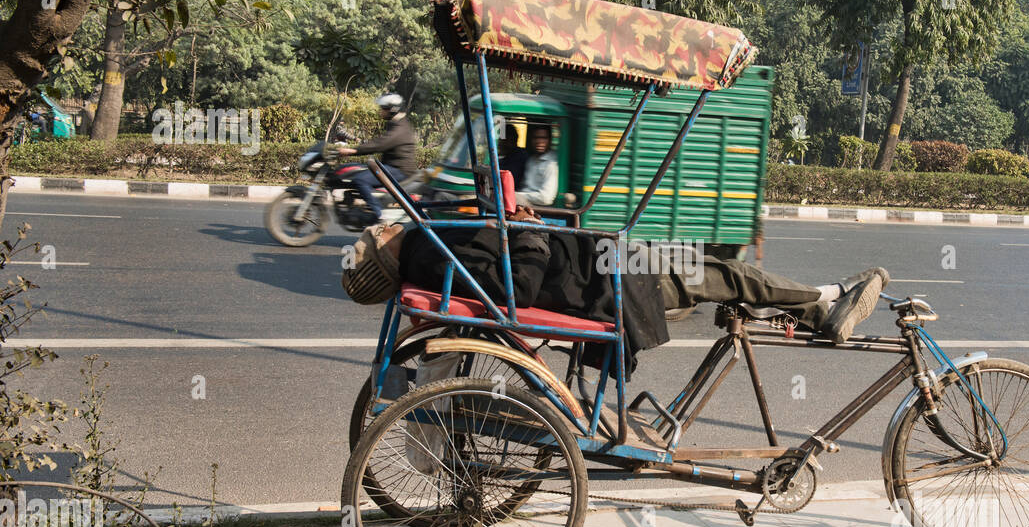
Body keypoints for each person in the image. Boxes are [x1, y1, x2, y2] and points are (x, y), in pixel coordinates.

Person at [342, 209, 889, 371]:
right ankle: (825, 300)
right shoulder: (431, 253)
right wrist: (528, 229)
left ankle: (817, 304)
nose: (384, 226)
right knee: (726, 275)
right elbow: (518, 282)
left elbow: (508, 260)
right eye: (380, 233)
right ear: (387, 253)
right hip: (603, 278)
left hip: (599, 263)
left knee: (715, 268)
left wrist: (520, 225)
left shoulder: (430, 245)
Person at [337, 93, 418, 223]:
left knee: (360, 180)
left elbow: (380, 144)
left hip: (400, 170)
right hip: (391, 166)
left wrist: (353, 150)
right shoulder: (396, 123)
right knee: (352, 170)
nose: (380, 111)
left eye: (383, 108)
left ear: (392, 109)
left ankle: (379, 215)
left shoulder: (400, 128)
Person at [514, 124, 559, 207]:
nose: (539, 141)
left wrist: (519, 195)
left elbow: (546, 198)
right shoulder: (531, 160)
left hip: (537, 207)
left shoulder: (551, 164)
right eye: (536, 138)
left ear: (550, 140)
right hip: (524, 201)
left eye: (543, 138)